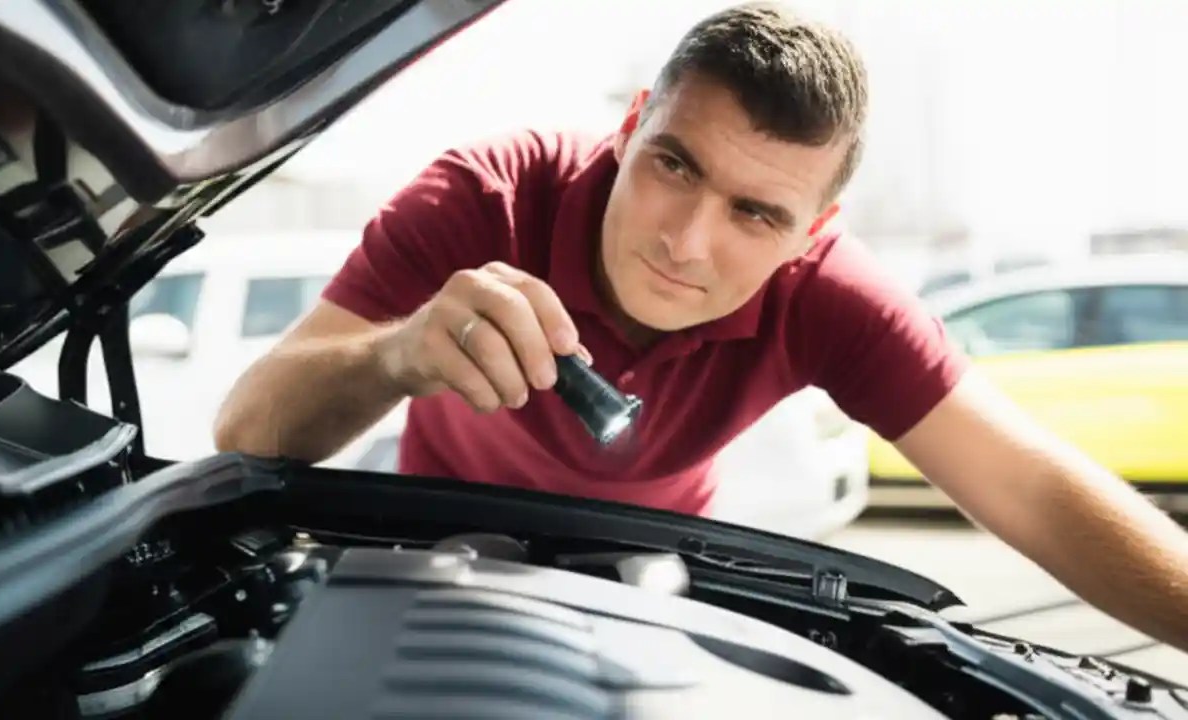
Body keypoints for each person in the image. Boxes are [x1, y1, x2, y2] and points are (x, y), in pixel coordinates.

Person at [214, 2, 1188, 651]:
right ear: (632, 122)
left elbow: (1033, 491)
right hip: (423, 581)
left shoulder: (829, 296)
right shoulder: (487, 197)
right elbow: (246, 431)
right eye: (673, 164)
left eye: (755, 214)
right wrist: (395, 351)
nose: (684, 242)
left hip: (640, 596)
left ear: (814, 232)